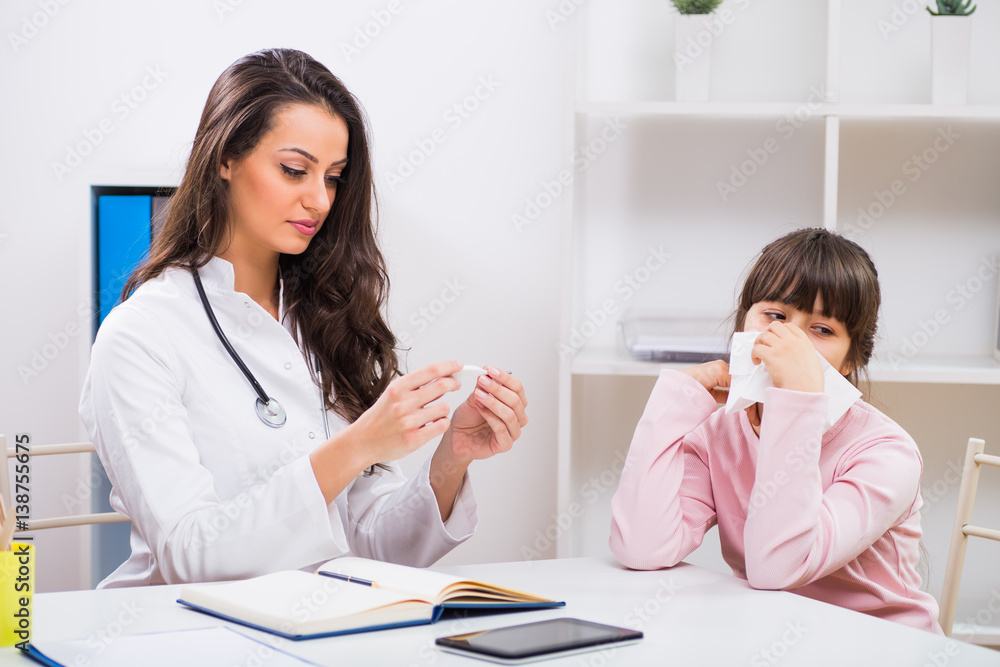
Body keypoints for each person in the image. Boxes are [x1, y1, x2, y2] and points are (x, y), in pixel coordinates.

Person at [79, 48, 528, 588]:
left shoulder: (323, 320)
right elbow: (187, 556)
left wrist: (450, 459)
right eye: (295, 170)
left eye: (334, 178)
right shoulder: (141, 335)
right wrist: (358, 445)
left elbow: (370, 546)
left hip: (316, 627)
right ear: (225, 157)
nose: (319, 199)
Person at [609, 228, 942, 634]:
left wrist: (797, 402)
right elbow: (643, 548)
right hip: (772, 638)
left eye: (821, 330)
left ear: (851, 358)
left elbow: (778, 567)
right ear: (742, 327)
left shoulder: (888, 453)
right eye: (776, 317)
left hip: (881, 647)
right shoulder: (719, 432)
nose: (791, 343)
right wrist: (674, 402)